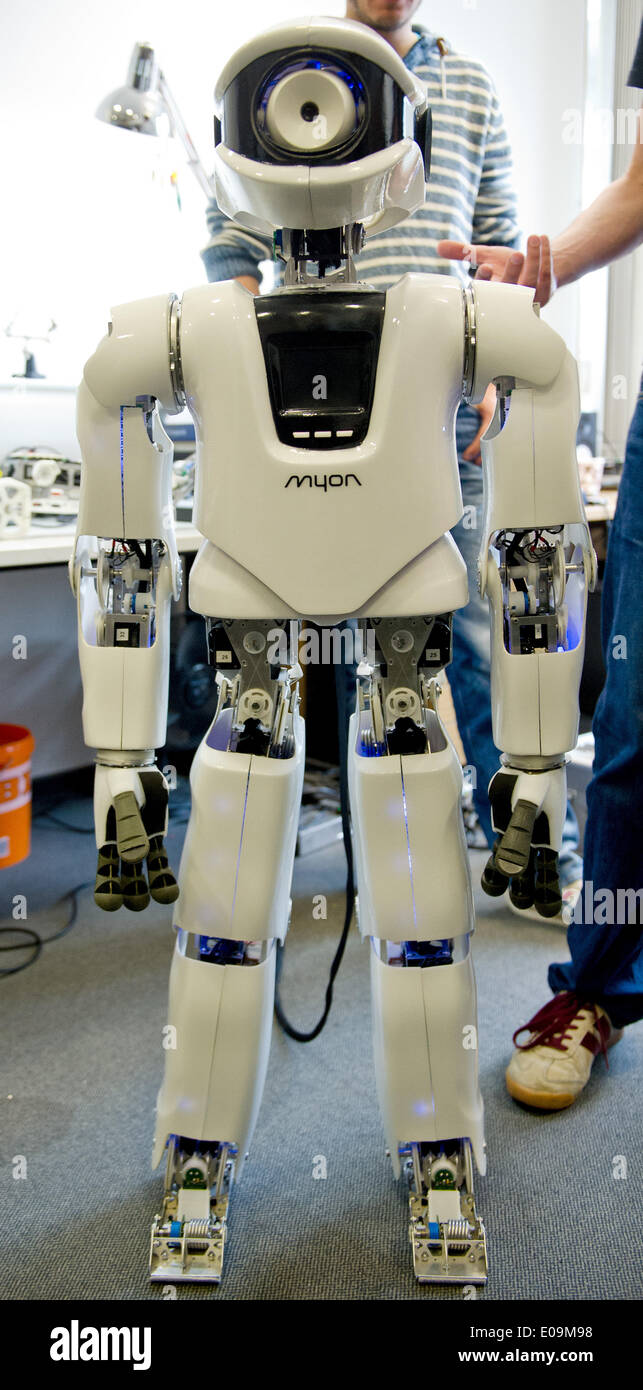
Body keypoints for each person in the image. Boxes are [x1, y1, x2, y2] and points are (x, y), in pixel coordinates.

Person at [201, 0, 583, 897]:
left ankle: (509, 833)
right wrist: (238, 365)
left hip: (432, 393)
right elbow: (228, 245)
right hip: (285, 392)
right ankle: (251, 849)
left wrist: (489, 352)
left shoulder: (470, 86)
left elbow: (495, 243)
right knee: (256, 623)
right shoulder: (275, 70)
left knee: (460, 623)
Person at [438, 16, 643, 1109]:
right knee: (631, 717)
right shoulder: (276, 97)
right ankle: (599, 981)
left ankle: (513, 837)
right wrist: (544, 263)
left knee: (484, 637)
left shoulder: (465, 91)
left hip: (461, 431)